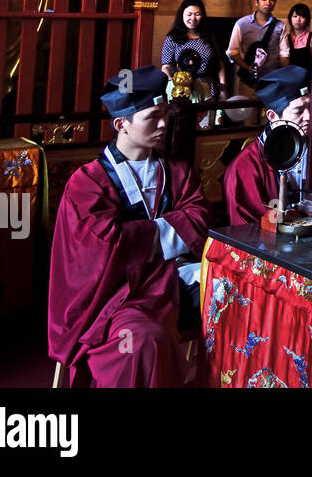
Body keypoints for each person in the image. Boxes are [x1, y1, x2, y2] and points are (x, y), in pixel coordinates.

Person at [47, 66, 213, 387]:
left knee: (238, 301)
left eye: (165, 115)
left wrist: (142, 235)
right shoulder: (88, 183)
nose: (164, 124)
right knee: (142, 342)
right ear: (121, 124)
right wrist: (170, 229)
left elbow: (200, 218)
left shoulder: (177, 171)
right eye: (153, 117)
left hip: (175, 279)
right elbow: (105, 245)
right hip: (114, 295)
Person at [223, 65, 312, 226]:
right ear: (272, 116)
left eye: (311, 107)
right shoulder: (245, 167)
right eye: (299, 111)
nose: (309, 117)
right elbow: (246, 228)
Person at [226, 0, 284, 97]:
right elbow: (232, 52)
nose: (268, 3)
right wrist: (247, 68)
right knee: (247, 108)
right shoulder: (242, 24)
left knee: (270, 110)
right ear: (256, 2)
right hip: (249, 83)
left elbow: (284, 54)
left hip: (272, 83)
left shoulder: (280, 26)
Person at [160, 0, 224, 100]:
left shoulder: (208, 36)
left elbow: (219, 63)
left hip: (207, 87)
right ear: (182, 15)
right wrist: (172, 83)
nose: (193, 18)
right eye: (189, 14)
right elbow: (166, 67)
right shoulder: (173, 38)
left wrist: (223, 88)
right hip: (181, 88)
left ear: (202, 15)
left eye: (197, 14)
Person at [279, 2, 312, 73]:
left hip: (308, 77)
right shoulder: (285, 38)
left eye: (302, 17)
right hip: (290, 78)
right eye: (295, 16)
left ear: (307, 19)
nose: (298, 20)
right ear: (290, 18)